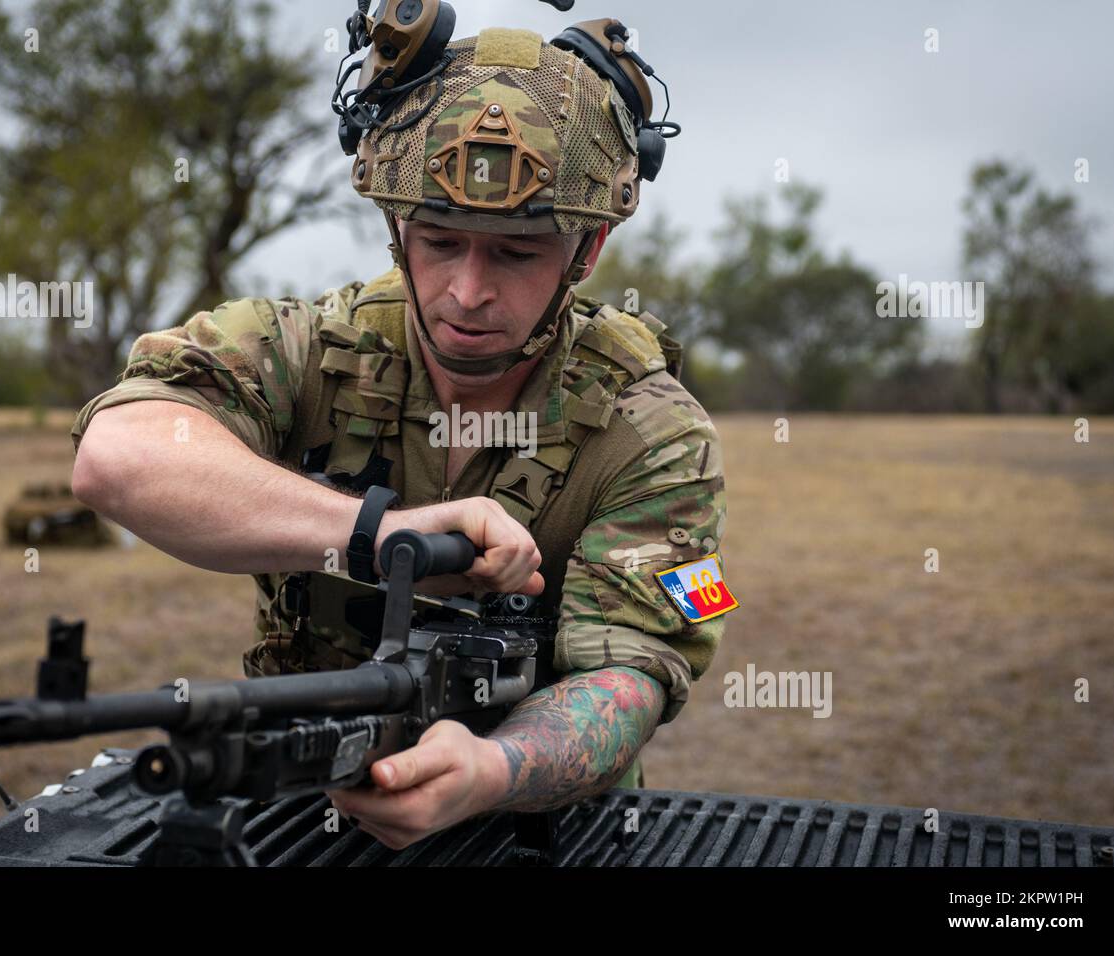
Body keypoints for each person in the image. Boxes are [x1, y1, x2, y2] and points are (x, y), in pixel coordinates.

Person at [69, 27, 734, 851]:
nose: (468, 291)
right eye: (440, 241)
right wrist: (376, 537)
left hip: (550, 829)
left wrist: (493, 768)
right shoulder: (307, 349)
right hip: (307, 810)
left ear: (588, 249)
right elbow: (116, 454)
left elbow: (636, 671)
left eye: (516, 253)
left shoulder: (659, 437)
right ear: (395, 229)